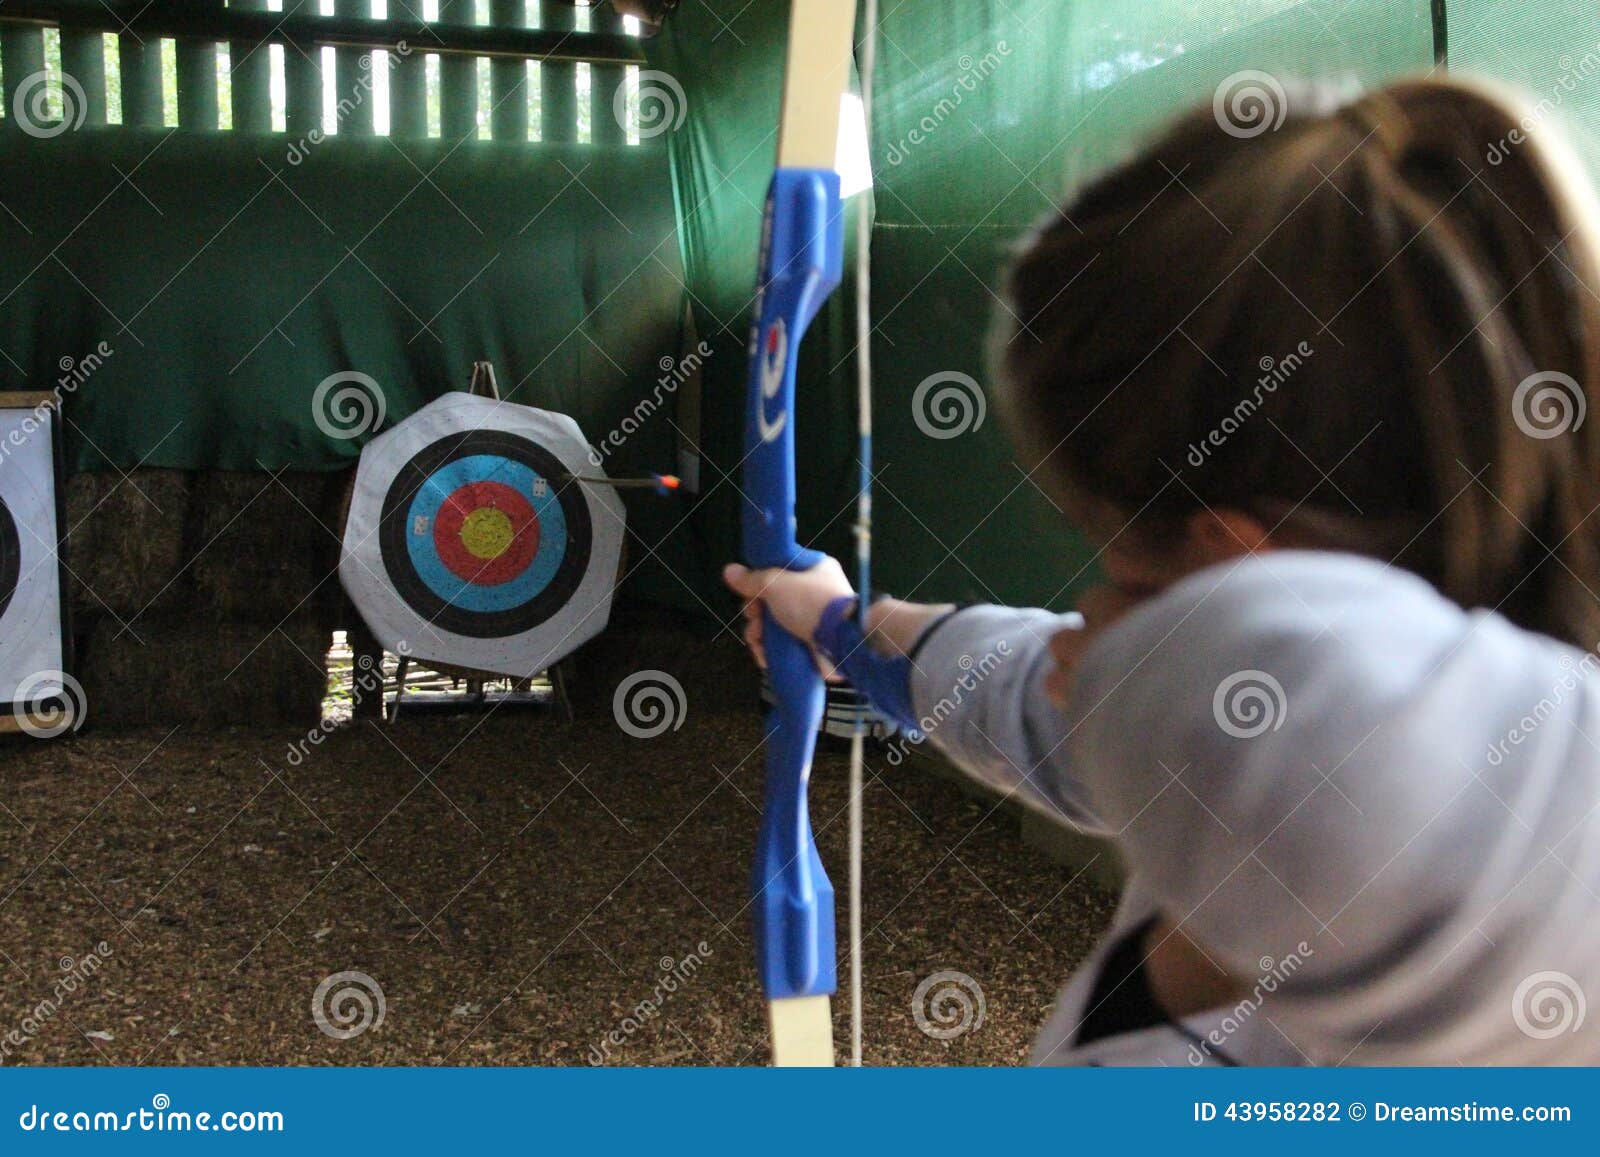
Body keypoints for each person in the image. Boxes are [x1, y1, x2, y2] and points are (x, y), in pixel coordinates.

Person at [724, 75, 1600, 1065]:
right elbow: (1046, 698)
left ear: (1236, 570)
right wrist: (845, 627)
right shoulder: (1270, 738)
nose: (1092, 623)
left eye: (1125, 580)